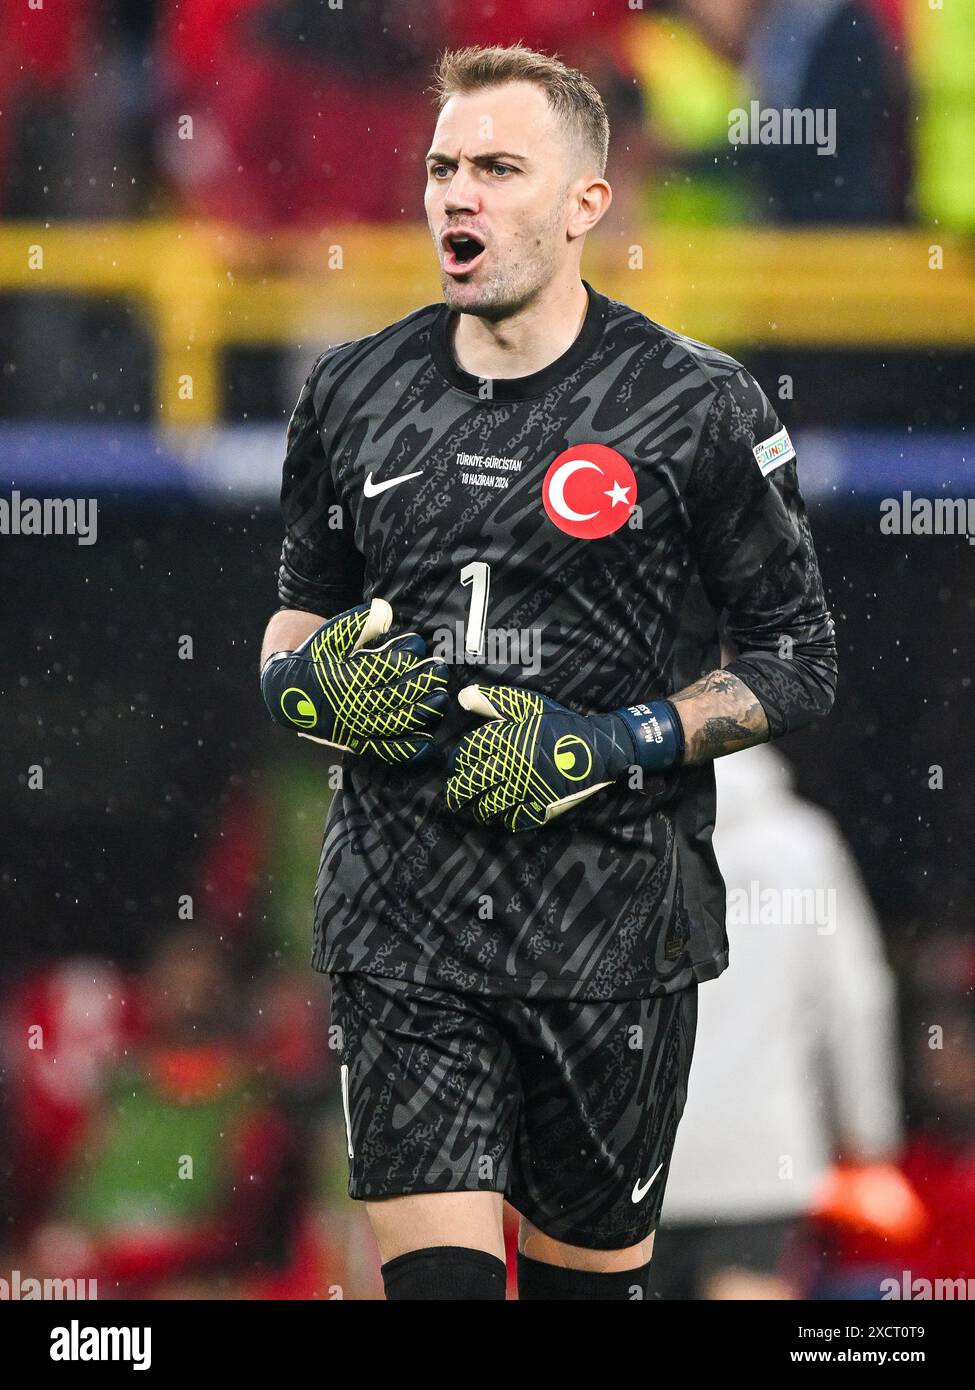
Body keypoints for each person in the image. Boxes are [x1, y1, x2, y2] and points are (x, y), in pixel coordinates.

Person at [258, 43, 837, 1301]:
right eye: (442, 168)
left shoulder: (695, 405)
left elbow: (798, 660)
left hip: (612, 936)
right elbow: (296, 622)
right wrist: (302, 693)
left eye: (499, 169)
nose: (457, 195)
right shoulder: (352, 391)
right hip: (403, 920)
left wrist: (602, 744)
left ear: (586, 201)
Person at [651, 741, 902, 1300]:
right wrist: (869, 1143)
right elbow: (856, 999)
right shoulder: (803, 847)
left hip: (628, 1159)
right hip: (761, 1160)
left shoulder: (607, 839)